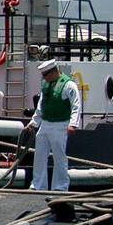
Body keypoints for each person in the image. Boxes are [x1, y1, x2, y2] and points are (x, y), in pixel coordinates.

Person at [26, 58, 81, 191]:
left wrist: (73, 124)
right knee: (39, 155)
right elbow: (41, 105)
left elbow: (76, 105)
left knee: (59, 157)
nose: (44, 78)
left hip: (60, 125)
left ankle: (60, 186)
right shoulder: (46, 85)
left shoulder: (68, 85)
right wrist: (34, 123)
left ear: (53, 72)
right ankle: (38, 185)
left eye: (45, 75)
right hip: (45, 124)